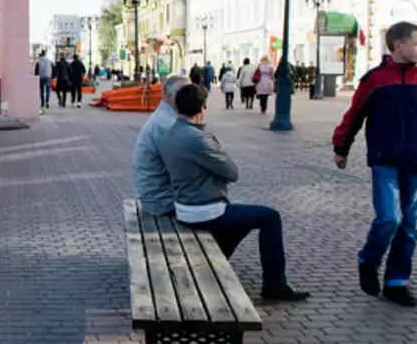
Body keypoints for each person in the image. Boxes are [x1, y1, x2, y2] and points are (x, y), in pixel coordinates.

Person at [332, 21, 417, 307]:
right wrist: (341, 147)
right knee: (389, 218)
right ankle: (368, 260)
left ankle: (397, 282)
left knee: (409, 224)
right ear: (398, 46)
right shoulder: (376, 80)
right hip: (384, 160)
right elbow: (355, 114)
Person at [159, 84, 309, 301]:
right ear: (202, 108)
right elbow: (232, 172)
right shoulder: (198, 138)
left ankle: (215, 260)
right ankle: (275, 284)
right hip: (204, 210)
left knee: (245, 216)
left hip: (184, 207)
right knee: (270, 217)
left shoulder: (170, 133)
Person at [132, 75, 190, 216]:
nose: (190, 96)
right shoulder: (167, 123)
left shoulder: (168, 116)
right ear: (169, 96)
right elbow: (186, 168)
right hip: (162, 201)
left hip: (157, 195)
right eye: (185, 92)